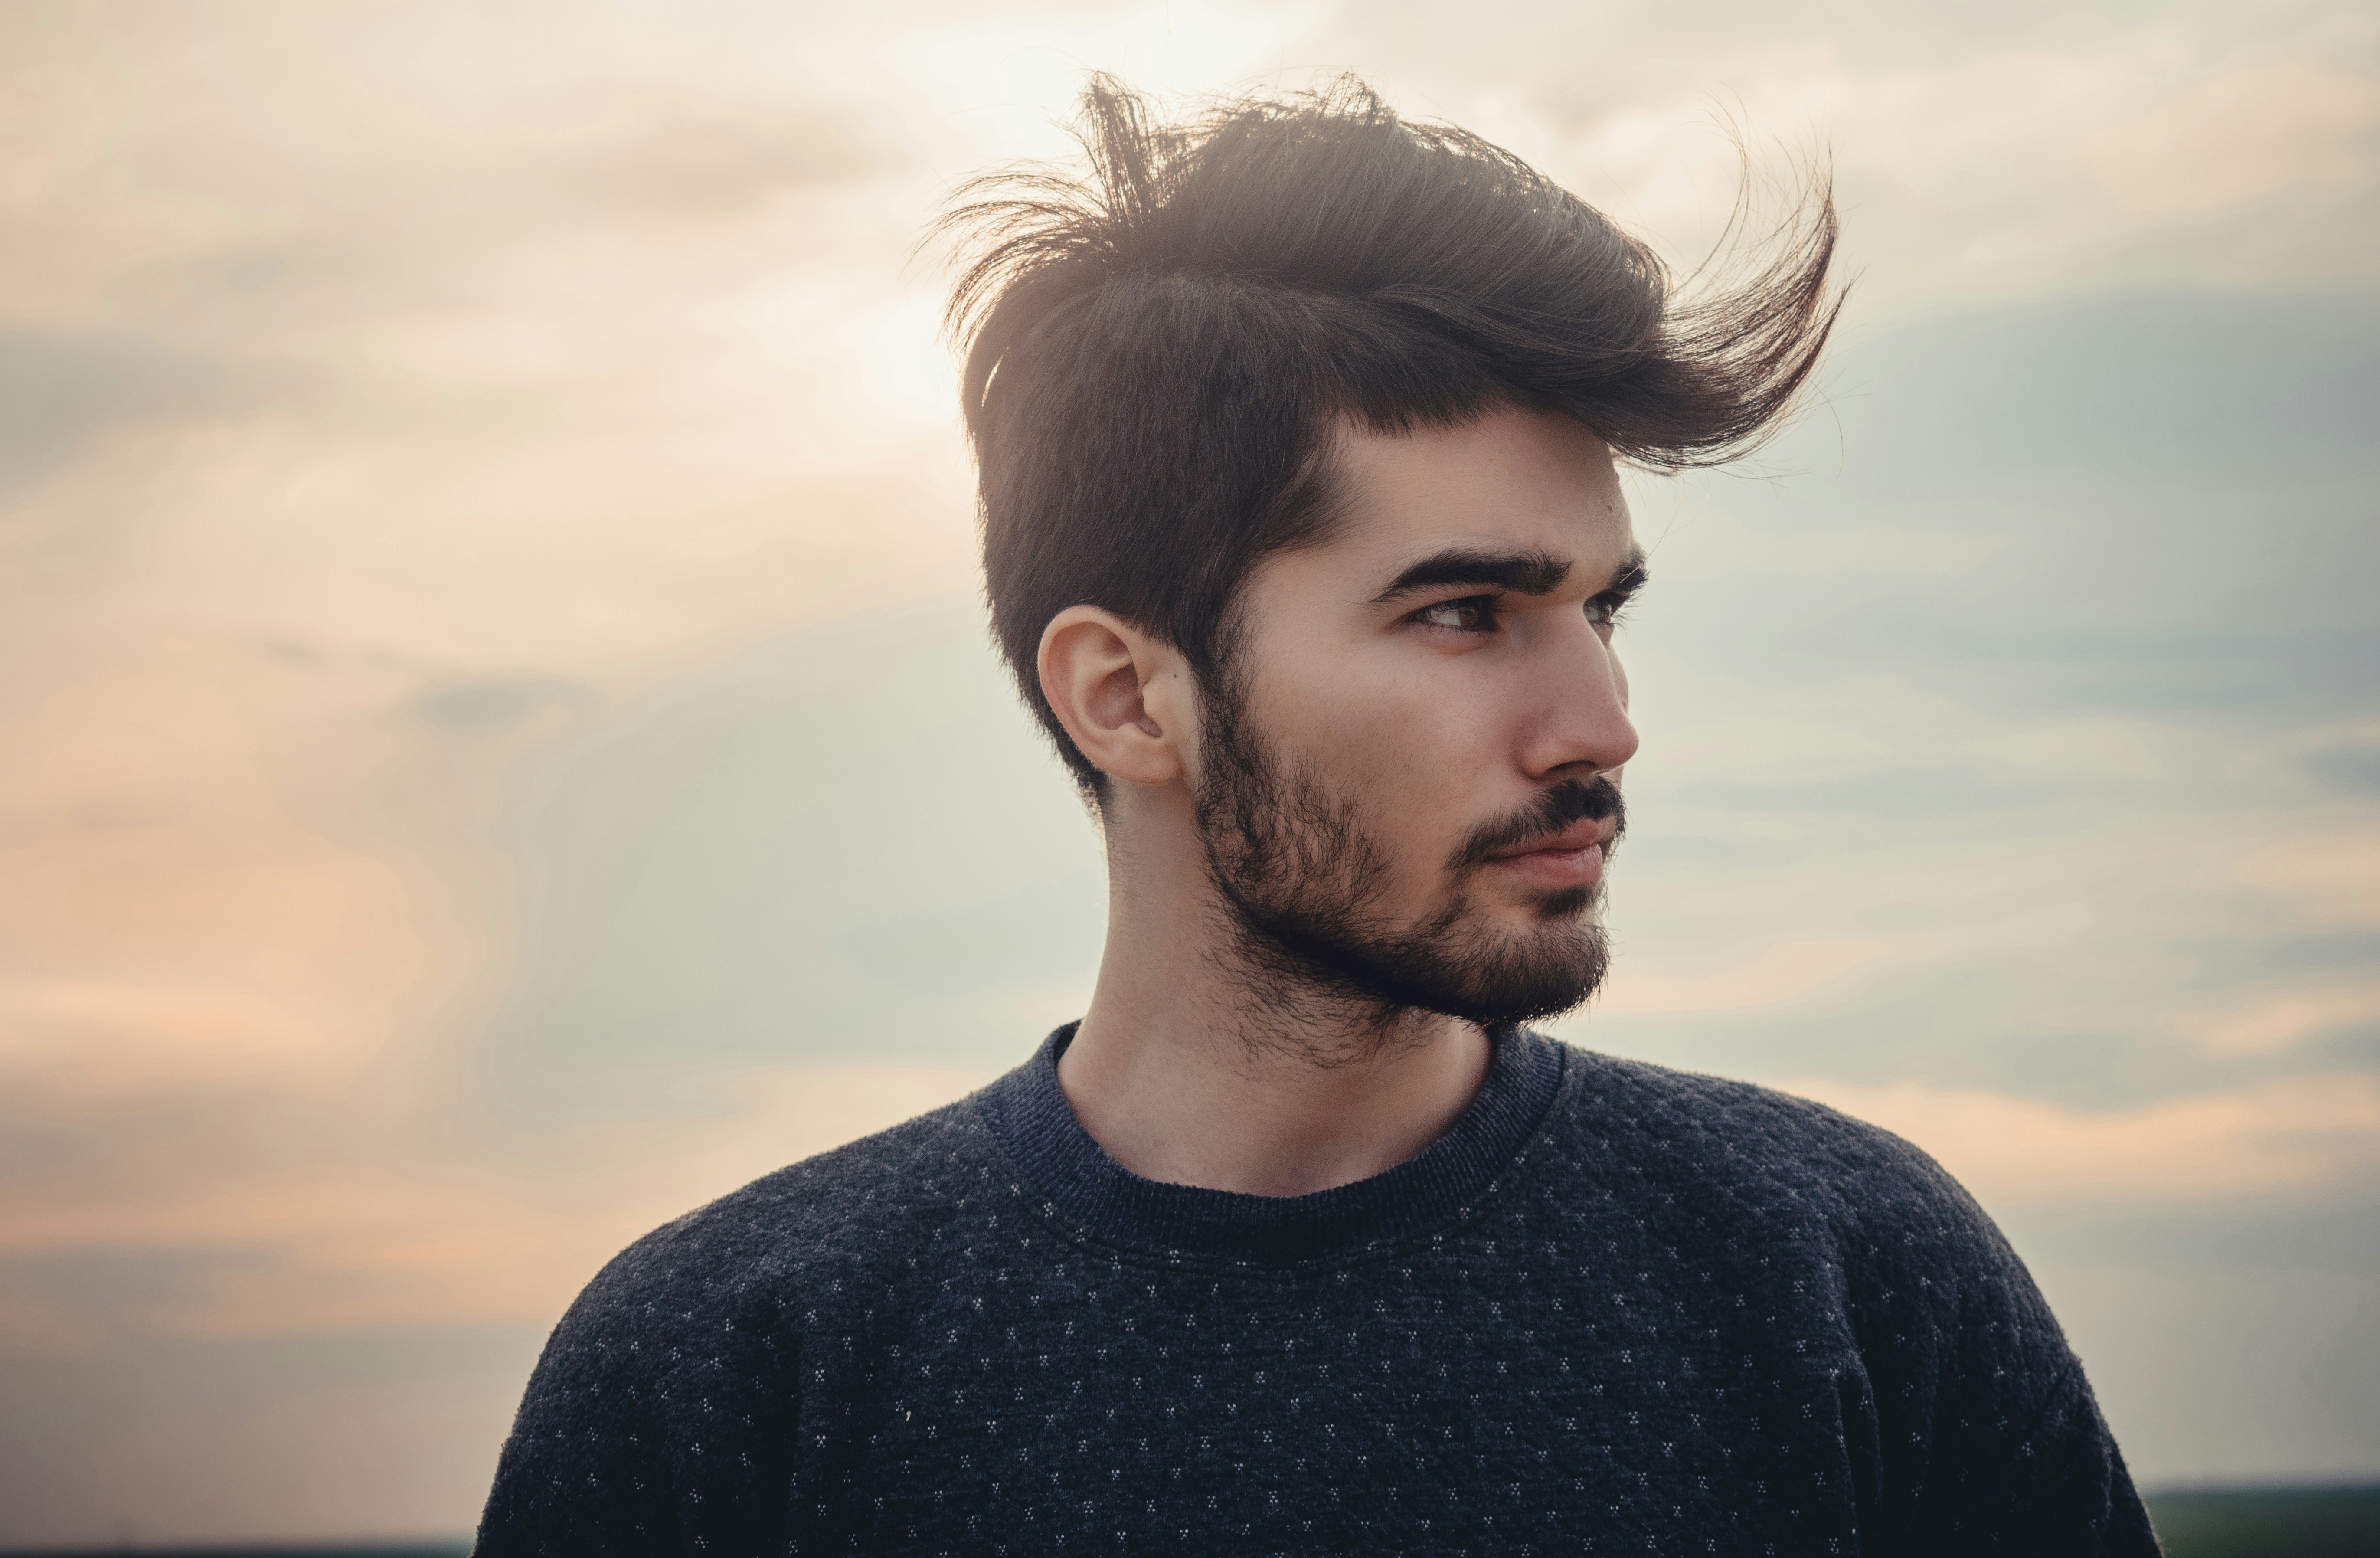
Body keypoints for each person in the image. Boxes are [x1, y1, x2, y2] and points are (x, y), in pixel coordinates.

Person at [476, 76, 2158, 1556]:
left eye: (1601, 610)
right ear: (1126, 697)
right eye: (1463, 613)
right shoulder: (728, 1372)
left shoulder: (1848, 1278)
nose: (1604, 727)